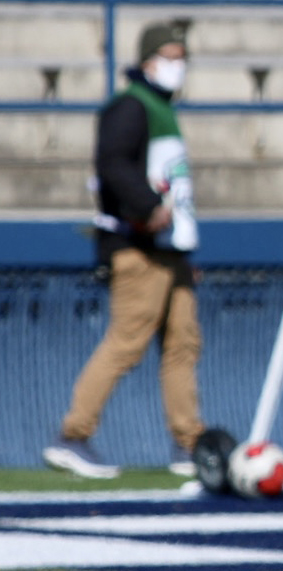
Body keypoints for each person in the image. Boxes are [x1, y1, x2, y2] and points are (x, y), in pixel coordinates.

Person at [43, 21, 203, 479]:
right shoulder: (131, 106)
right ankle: (73, 436)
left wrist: (184, 251)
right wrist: (148, 206)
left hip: (170, 252)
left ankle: (189, 443)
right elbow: (111, 162)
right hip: (139, 246)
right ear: (149, 58)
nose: (178, 65)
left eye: (182, 56)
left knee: (183, 344)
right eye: (170, 55)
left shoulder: (159, 107)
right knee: (126, 342)